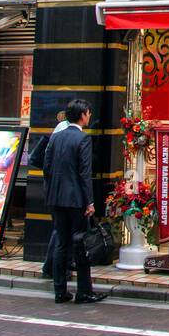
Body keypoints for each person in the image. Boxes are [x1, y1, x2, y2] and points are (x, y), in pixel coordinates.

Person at [40, 99, 106, 304]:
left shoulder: (56, 137)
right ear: (83, 115)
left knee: (61, 243)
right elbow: (84, 173)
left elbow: (46, 168)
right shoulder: (83, 139)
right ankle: (84, 291)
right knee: (80, 244)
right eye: (88, 112)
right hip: (76, 199)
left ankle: (60, 291)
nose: (90, 116)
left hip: (55, 198)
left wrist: (52, 191)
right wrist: (90, 202)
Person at [32, 114, 72, 281]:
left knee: (60, 229)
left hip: (53, 188)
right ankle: (53, 267)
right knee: (61, 230)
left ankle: (53, 266)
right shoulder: (66, 131)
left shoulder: (58, 131)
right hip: (61, 190)